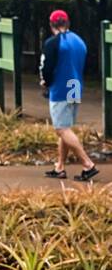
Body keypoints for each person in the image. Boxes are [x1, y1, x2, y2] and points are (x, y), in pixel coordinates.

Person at [39, 9, 97, 182]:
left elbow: (47, 68)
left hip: (60, 88)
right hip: (75, 85)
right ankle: (60, 166)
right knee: (66, 126)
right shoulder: (79, 41)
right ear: (68, 23)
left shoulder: (53, 43)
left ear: (51, 25)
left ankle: (88, 164)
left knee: (61, 129)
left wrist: (46, 82)